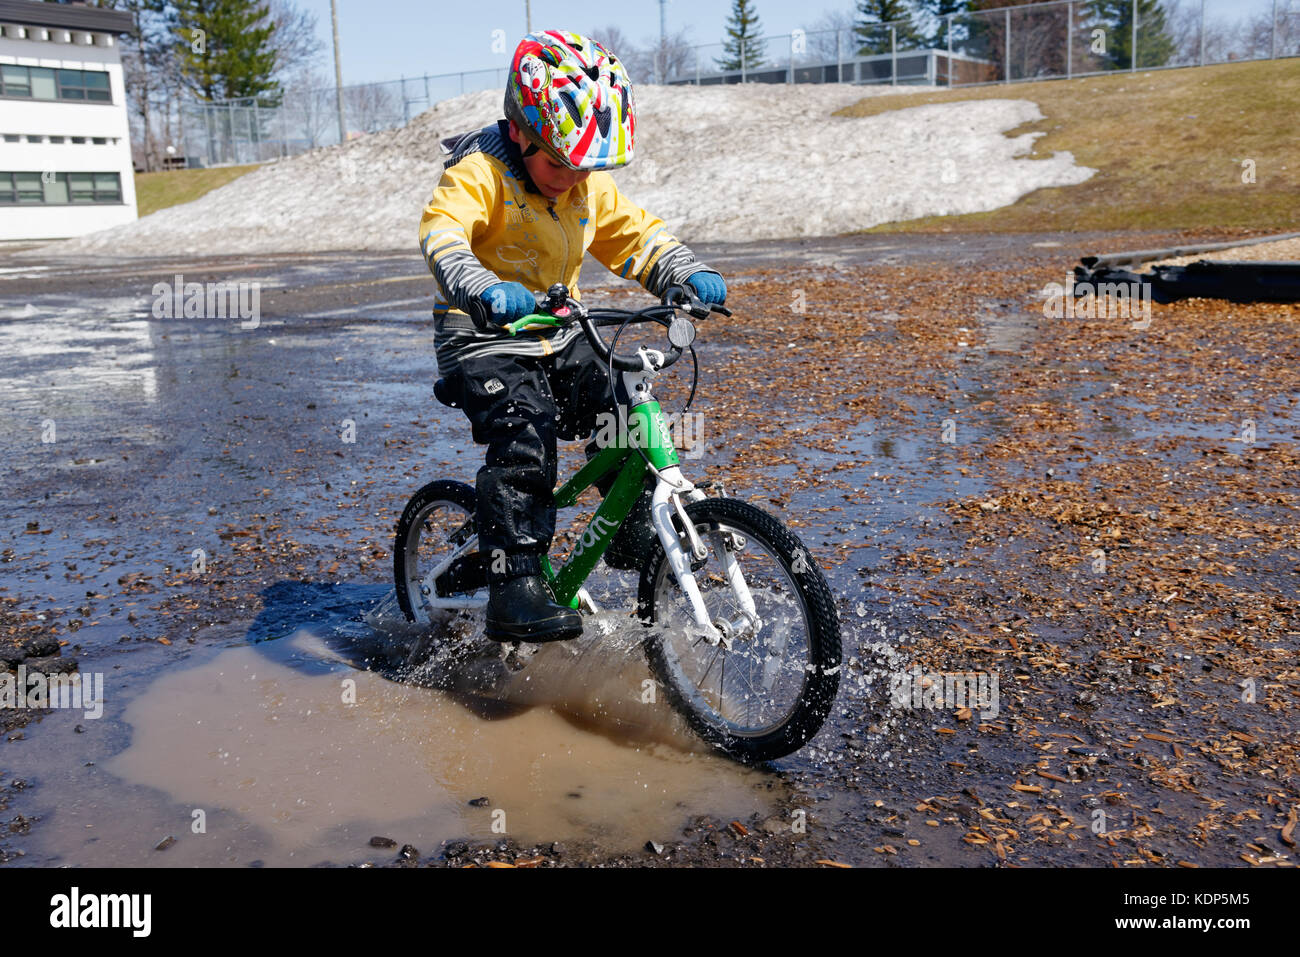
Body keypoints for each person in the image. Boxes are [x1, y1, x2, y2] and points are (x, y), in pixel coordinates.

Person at [417, 29, 727, 644]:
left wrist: (682, 271)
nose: (572, 178)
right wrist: (481, 287)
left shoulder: (583, 186)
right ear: (519, 132)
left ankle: (634, 529)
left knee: (622, 400)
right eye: (558, 162)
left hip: (557, 331)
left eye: (584, 166)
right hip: (482, 336)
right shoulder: (480, 175)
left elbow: (633, 236)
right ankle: (516, 585)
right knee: (525, 431)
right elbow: (442, 233)